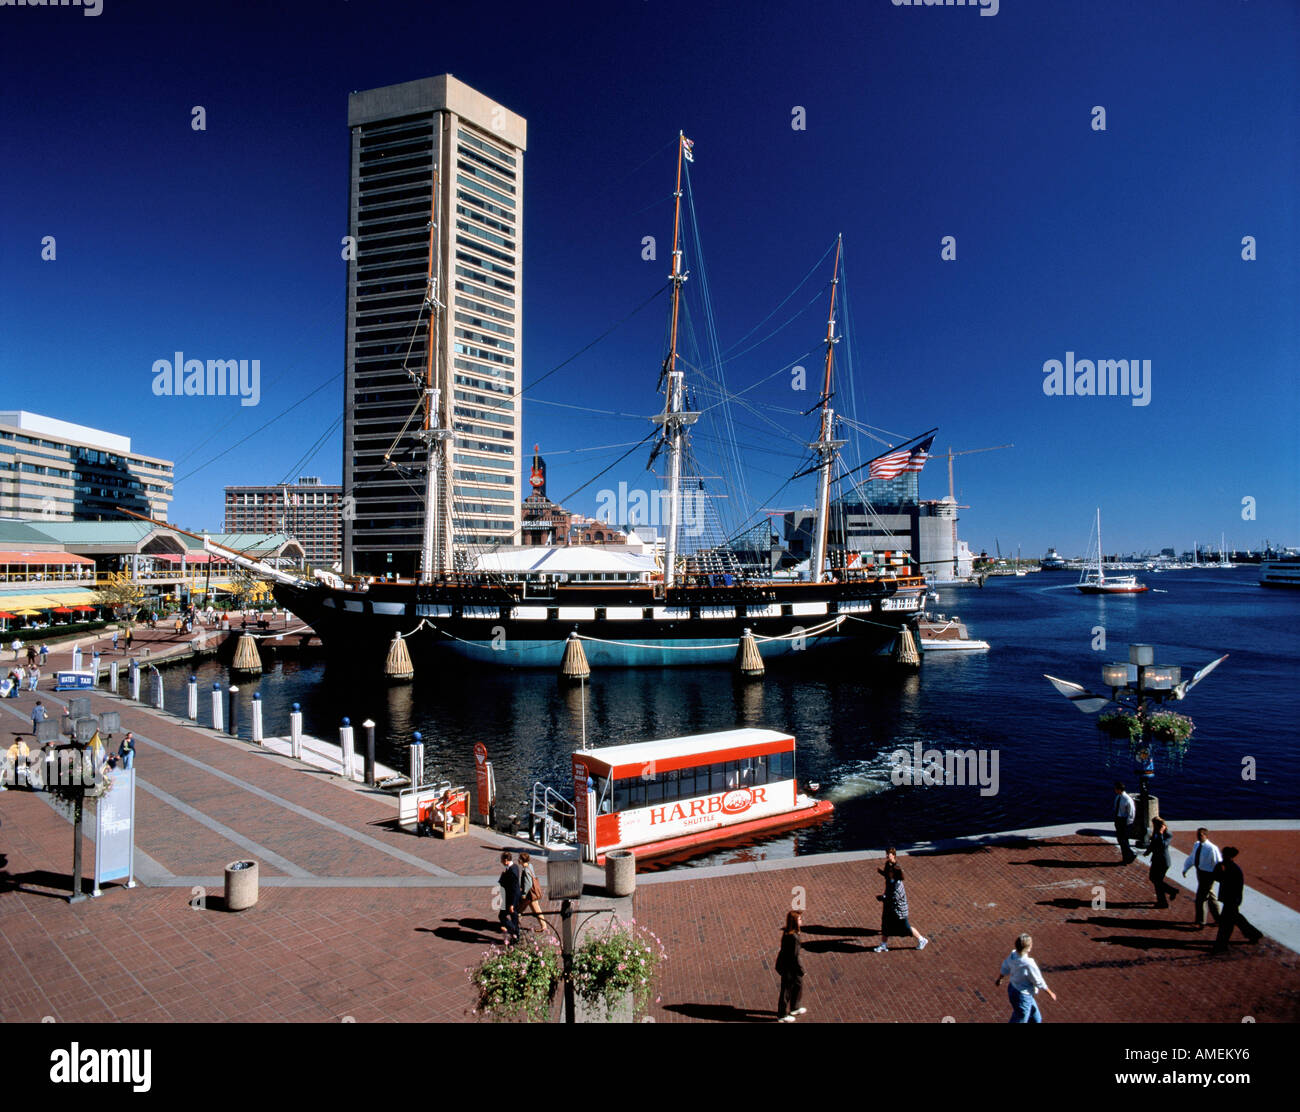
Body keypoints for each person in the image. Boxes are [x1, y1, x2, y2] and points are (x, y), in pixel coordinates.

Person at [872, 847, 929, 951]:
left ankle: (921, 939)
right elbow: (888, 888)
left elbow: (894, 898)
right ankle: (883, 944)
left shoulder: (898, 885)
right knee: (885, 924)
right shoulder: (891, 878)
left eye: (890, 872)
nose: (889, 873)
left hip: (898, 910)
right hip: (890, 907)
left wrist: (883, 898)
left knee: (906, 927)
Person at [995, 933, 1057, 1022]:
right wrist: (1050, 993)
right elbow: (1038, 981)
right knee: (1020, 1019)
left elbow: (1005, 966)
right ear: (1028, 948)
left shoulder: (1013, 955)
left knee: (1036, 1019)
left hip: (1013, 989)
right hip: (1023, 996)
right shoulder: (1029, 964)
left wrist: (1000, 978)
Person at [1211, 847, 1262, 953]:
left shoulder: (1234, 869)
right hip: (1229, 899)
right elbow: (1217, 877)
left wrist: (1222, 872)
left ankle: (1221, 945)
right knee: (1236, 918)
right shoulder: (1225, 866)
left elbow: (1234, 885)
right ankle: (1254, 934)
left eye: (1224, 855)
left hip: (1232, 899)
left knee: (1226, 923)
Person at [1181, 828, 1223, 928]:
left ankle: (1201, 921)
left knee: (1201, 897)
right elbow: (1192, 857)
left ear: (1206, 835)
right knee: (1210, 896)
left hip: (1208, 874)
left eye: (1200, 835)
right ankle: (1219, 919)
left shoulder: (1211, 848)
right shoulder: (1197, 845)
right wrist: (1186, 868)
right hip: (1200, 872)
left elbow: (1218, 862)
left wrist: (1219, 876)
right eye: (1198, 834)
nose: (1198, 836)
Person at [775, 910, 806, 1022]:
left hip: (787, 965)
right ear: (794, 922)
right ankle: (782, 1014)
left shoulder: (789, 932)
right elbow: (794, 957)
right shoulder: (794, 937)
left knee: (798, 984)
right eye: (799, 919)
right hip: (789, 968)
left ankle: (795, 1007)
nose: (801, 921)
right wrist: (801, 969)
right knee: (786, 990)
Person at [1143, 816, 1179, 908]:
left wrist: (1160, 833)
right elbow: (1153, 844)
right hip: (1156, 860)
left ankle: (1169, 894)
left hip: (1163, 862)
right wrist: (1147, 852)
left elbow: (1163, 845)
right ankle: (1163, 901)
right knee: (1154, 879)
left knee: (1157, 881)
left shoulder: (1167, 834)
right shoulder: (1155, 832)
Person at [518, 850, 547, 932]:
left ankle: (515, 925)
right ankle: (543, 925)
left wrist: (524, 893)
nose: (518, 860)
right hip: (532, 893)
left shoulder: (526, 870)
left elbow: (528, 883)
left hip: (529, 894)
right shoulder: (530, 866)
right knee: (534, 909)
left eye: (519, 859)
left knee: (520, 909)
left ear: (521, 860)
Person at [497, 851, 521, 943]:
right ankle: (516, 937)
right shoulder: (513, 867)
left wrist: (511, 904)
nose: (501, 862)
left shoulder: (512, 871)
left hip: (511, 899)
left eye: (502, 860)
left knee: (502, 916)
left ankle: (515, 931)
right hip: (510, 898)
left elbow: (513, 889)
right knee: (514, 918)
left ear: (506, 860)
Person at [1112, 782, 1137, 864]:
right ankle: (1126, 857)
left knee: (1123, 840)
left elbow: (1131, 813)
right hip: (1118, 820)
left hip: (1124, 822)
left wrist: (1128, 824)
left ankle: (1130, 855)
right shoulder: (1118, 797)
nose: (1114, 790)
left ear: (1119, 789)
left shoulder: (1127, 799)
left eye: (1116, 788)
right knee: (1121, 840)